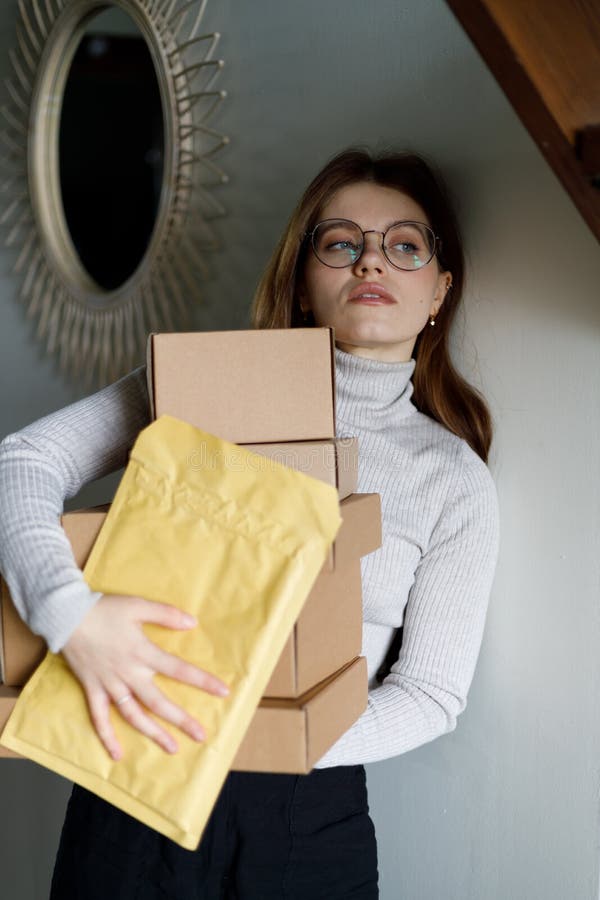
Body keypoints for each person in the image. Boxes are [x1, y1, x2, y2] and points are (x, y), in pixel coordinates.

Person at [0, 148, 499, 898]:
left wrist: (274, 737)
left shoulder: (451, 478)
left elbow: (430, 694)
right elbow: (21, 462)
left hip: (307, 809)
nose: (371, 261)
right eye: (340, 244)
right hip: (138, 774)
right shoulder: (199, 390)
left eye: (405, 245)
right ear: (301, 282)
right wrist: (70, 615)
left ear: (439, 290)